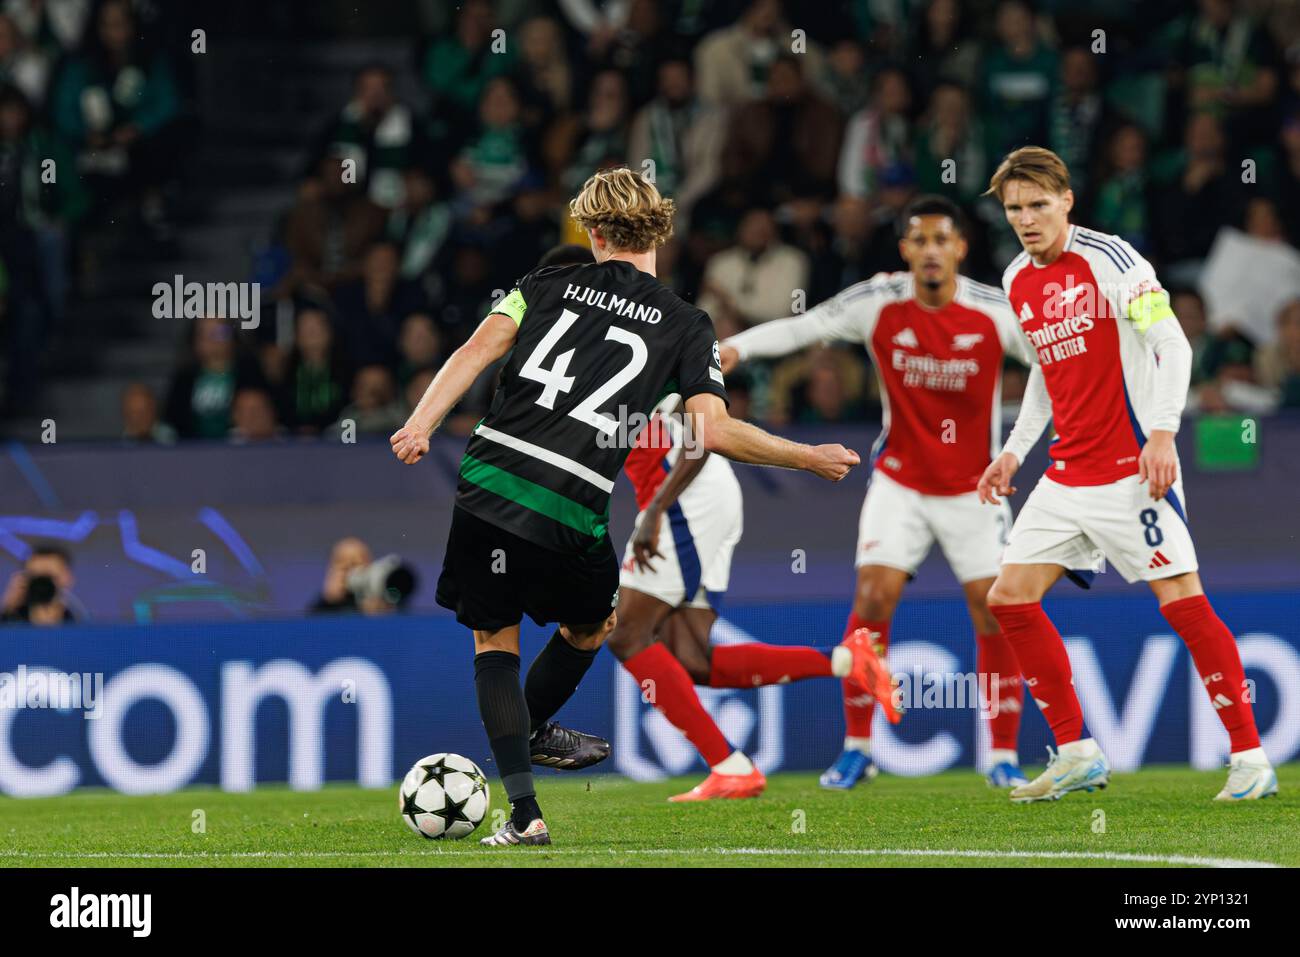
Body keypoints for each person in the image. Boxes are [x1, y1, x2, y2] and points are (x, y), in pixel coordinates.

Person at [389, 168, 861, 846]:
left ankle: (526, 812)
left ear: (593, 231)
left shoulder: (544, 284)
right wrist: (807, 456)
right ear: (661, 230)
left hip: (490, 479)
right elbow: (714, 431)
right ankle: (531, 738)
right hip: (572, 501)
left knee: (495, 640)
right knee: (594, 626)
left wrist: (421, 423)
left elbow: (475, 350)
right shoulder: (687, 324)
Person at [978, 146, 1277, 803]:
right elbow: (1045, 371)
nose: (1026, 219)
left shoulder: (1112, 262)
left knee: (1183, 602)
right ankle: (1077, 753)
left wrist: (1163, 433)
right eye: (1014, 209)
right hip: (1066, 476)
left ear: (1067, 201)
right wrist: (1014, 451)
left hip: (1131, 468)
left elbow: (1172, 343)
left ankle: (1251, 758)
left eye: (1038, 205)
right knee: (1009, 598)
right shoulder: (1016, 278)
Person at [722, 195, 1035, 789]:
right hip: (901, 483)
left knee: (996, 612)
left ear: (961, 248)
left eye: (942, 240)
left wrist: (1020, 445)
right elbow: (807, 325)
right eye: (920, 240)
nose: (931, 251)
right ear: (905, 250)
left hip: (975, 488)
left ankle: (1001, 756)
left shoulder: (996, 311)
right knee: (871, 600)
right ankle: (858, 747)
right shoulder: (878, 301)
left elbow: (1053, 364)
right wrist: (740, 346)